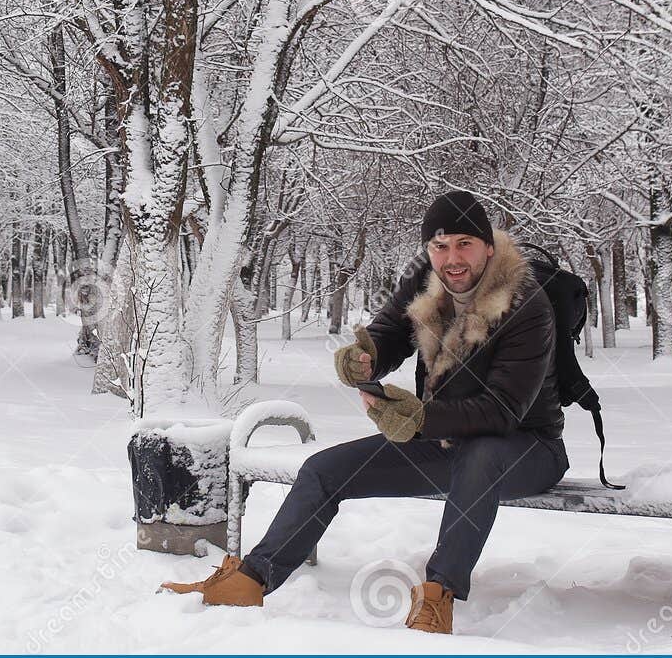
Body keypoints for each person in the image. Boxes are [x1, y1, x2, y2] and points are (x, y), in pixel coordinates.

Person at [160, 190, 567, 634]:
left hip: (529, 449)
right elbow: (391, 330)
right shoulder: (428, 284)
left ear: (489, 247)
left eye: (464, 244)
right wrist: (366, 357)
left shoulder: (527, 304)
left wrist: (421, 419)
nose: (452, 258)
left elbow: (503, 410)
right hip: (445, 440)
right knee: (323, 469)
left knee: (481, 456)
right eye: (440, 245)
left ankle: (438, 597)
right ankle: (252, 579)